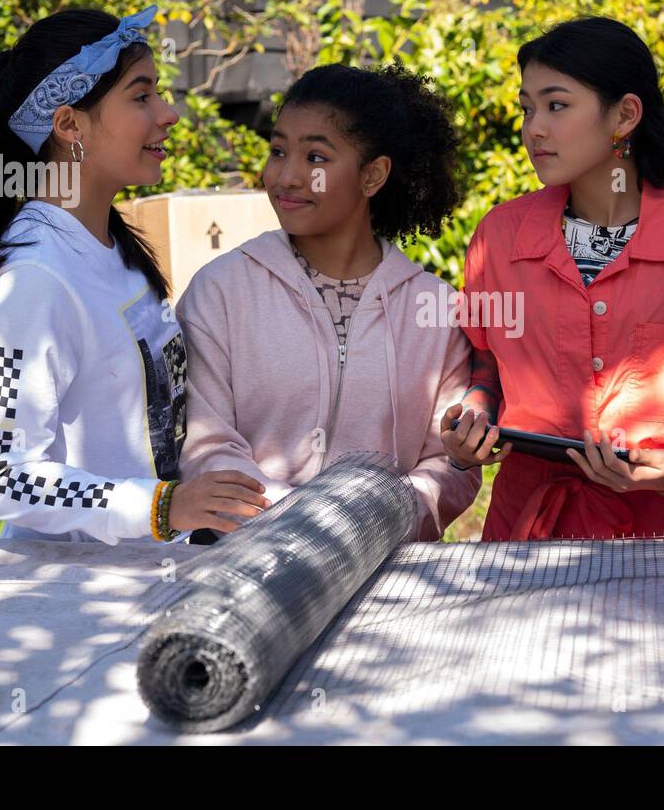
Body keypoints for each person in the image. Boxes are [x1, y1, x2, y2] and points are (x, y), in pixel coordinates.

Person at [441, 17, 664, 540]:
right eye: (527, 108)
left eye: (556, 105)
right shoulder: (498, 238)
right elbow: (487, 379)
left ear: (624, 115)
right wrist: (469, 427)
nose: (534, 128)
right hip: (526, 534)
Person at [0, 5, 268, 544]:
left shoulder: (114, 249)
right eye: (141, 96)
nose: (168, 114)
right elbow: (2, 475)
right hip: (72, 606)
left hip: (151, 584)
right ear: (69, 124)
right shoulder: (32, 280)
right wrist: (163, 507)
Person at [177, 63, 481, 543]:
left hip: (391, 576)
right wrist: (297, 522)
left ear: (373, 175)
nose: (287, 176)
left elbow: (448, 462)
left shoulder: (435, 309)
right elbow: (207, 443)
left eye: (316, 157)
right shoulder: (221, 291)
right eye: (278, 151)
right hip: (244, 564)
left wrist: (379, 520)